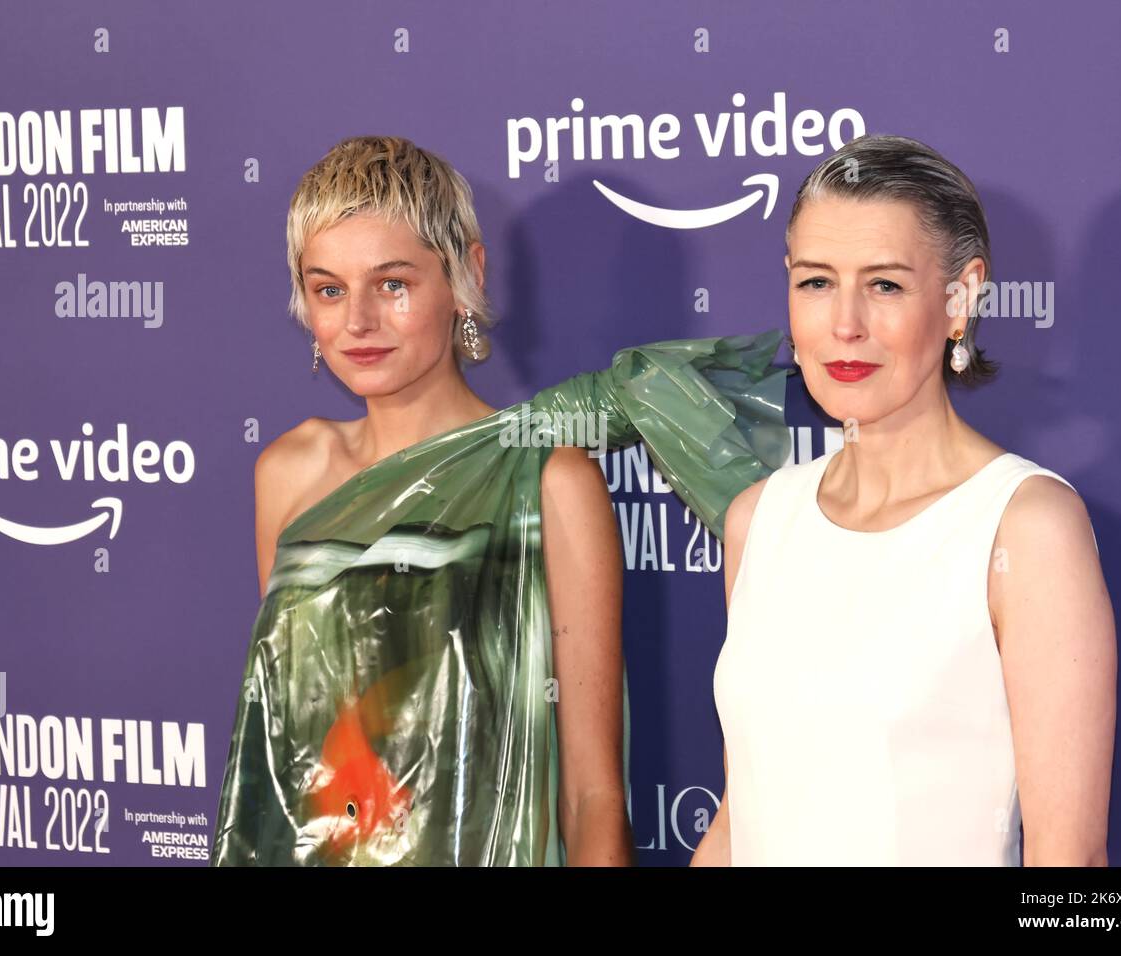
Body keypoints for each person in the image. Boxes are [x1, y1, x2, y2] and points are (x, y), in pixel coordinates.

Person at [210, 135, 793, 866]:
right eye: (329, 289)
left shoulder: (548, 480)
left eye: (392, 284)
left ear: (464, 277)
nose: (356, 321)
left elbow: (592, 793)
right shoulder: (289, 473)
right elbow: (296, 747)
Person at [691, 134, 1116, 867]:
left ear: (961, 297)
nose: (845, 324)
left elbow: (1068, 864)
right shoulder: (758, 519)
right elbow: (740, 819)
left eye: (885, 285)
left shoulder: (1025, 526)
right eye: (817, 282)